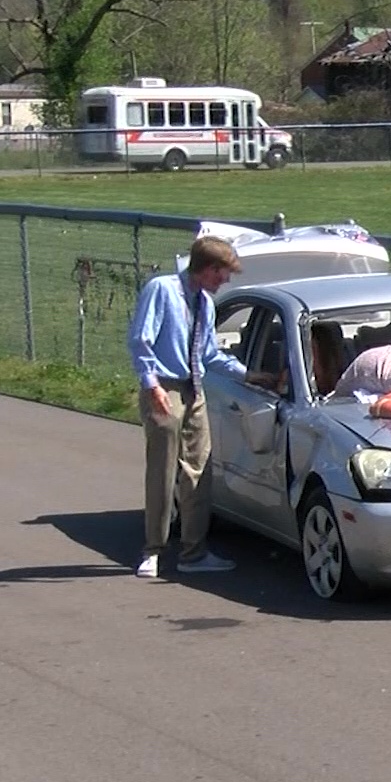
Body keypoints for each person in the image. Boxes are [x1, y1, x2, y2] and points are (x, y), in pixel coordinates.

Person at [127, 235, 273, 579]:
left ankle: (193, 552)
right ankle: (153, 551)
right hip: (165, 387)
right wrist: (152, 385)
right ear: (209, 269)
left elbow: (209, 353)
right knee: (163, 471)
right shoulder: (162, 290)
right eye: (223, 273)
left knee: (199, 470)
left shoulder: (205, 303)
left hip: (194, 389)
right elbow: (140, 338)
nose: (226, 281)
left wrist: (249, 375)